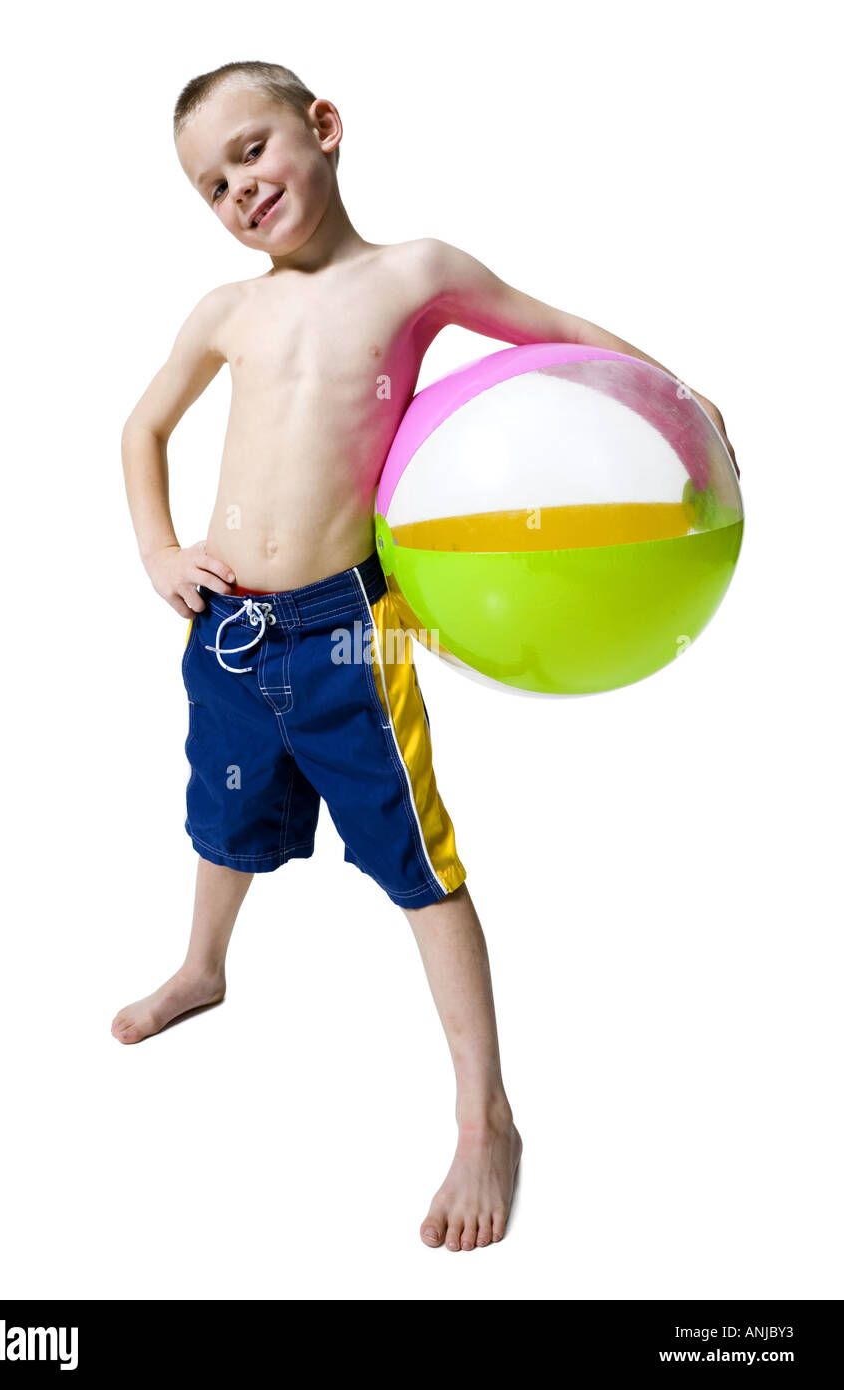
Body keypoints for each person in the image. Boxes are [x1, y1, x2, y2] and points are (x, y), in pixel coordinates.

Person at [113, 60, 738, 1253]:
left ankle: (483, 1117)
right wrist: (157, 549)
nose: (237, 190)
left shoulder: (415, 275)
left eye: (251, 152)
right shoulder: (225, 311)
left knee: (415, 857)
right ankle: (202, 965)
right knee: (220, 808)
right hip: (228, 629)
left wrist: (675, 398)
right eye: (210, 184)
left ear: (324, 128)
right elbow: (141, 425)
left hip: (351, 627)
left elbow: (552, 334)